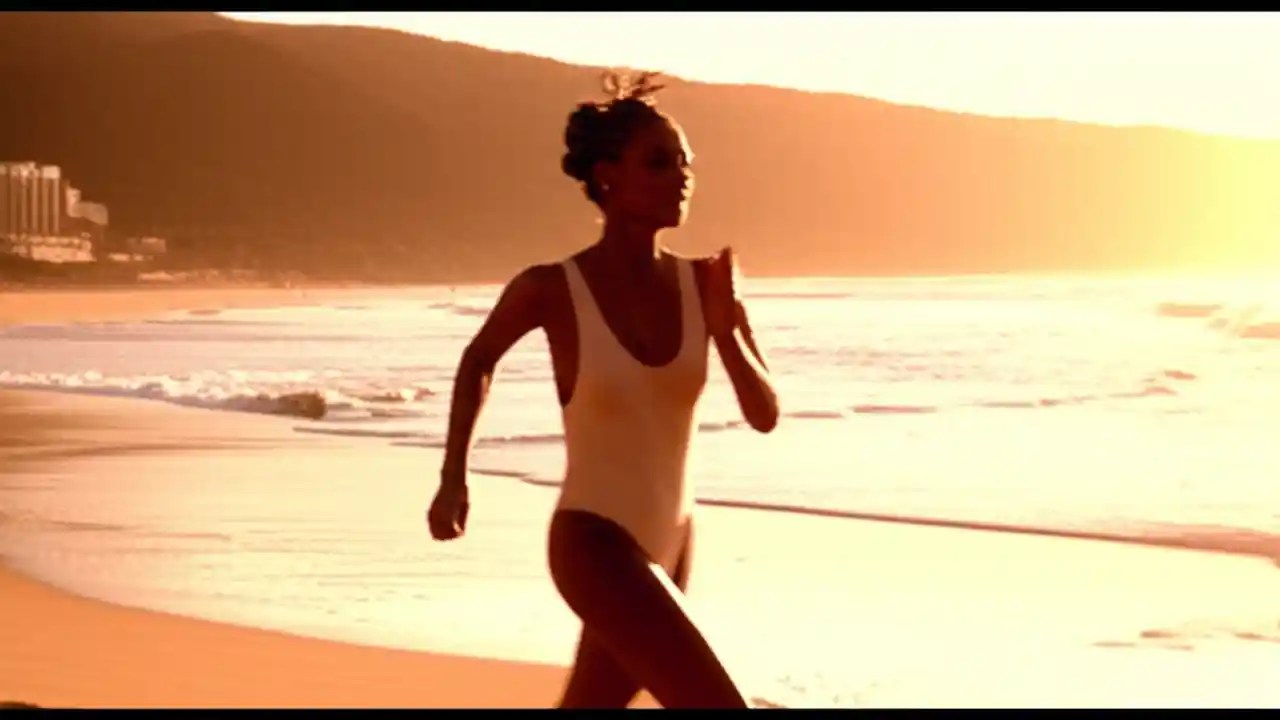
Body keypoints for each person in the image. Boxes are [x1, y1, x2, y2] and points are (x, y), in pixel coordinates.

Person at [426, 70, 780, 709]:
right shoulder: (552, 288)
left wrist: (726, 335)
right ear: (608, 174)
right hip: (593, 542)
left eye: (686, 163)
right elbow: (478, 359)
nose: (682, 176)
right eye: (660, 161)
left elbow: (764, 415)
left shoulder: (707, 284)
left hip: (674, 539)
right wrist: (455, 475)